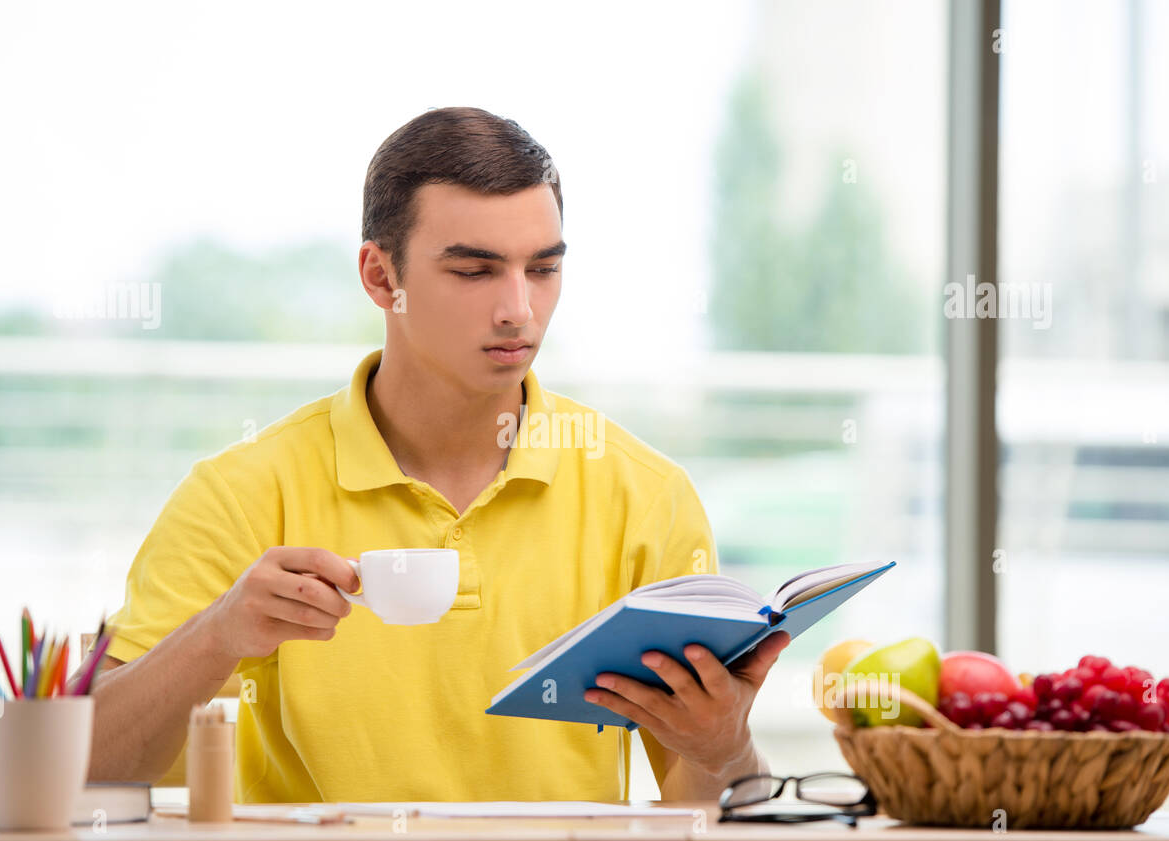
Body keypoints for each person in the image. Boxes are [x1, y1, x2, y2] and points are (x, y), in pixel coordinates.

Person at [86, 106, 790, 802]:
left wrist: (723, 746)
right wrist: (218, 636)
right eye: (475, 271)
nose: (519, 308)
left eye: (542, 268)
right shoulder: (239, 494)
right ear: (379, 276)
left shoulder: (647, 499)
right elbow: (82, 772)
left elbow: (704, 823)